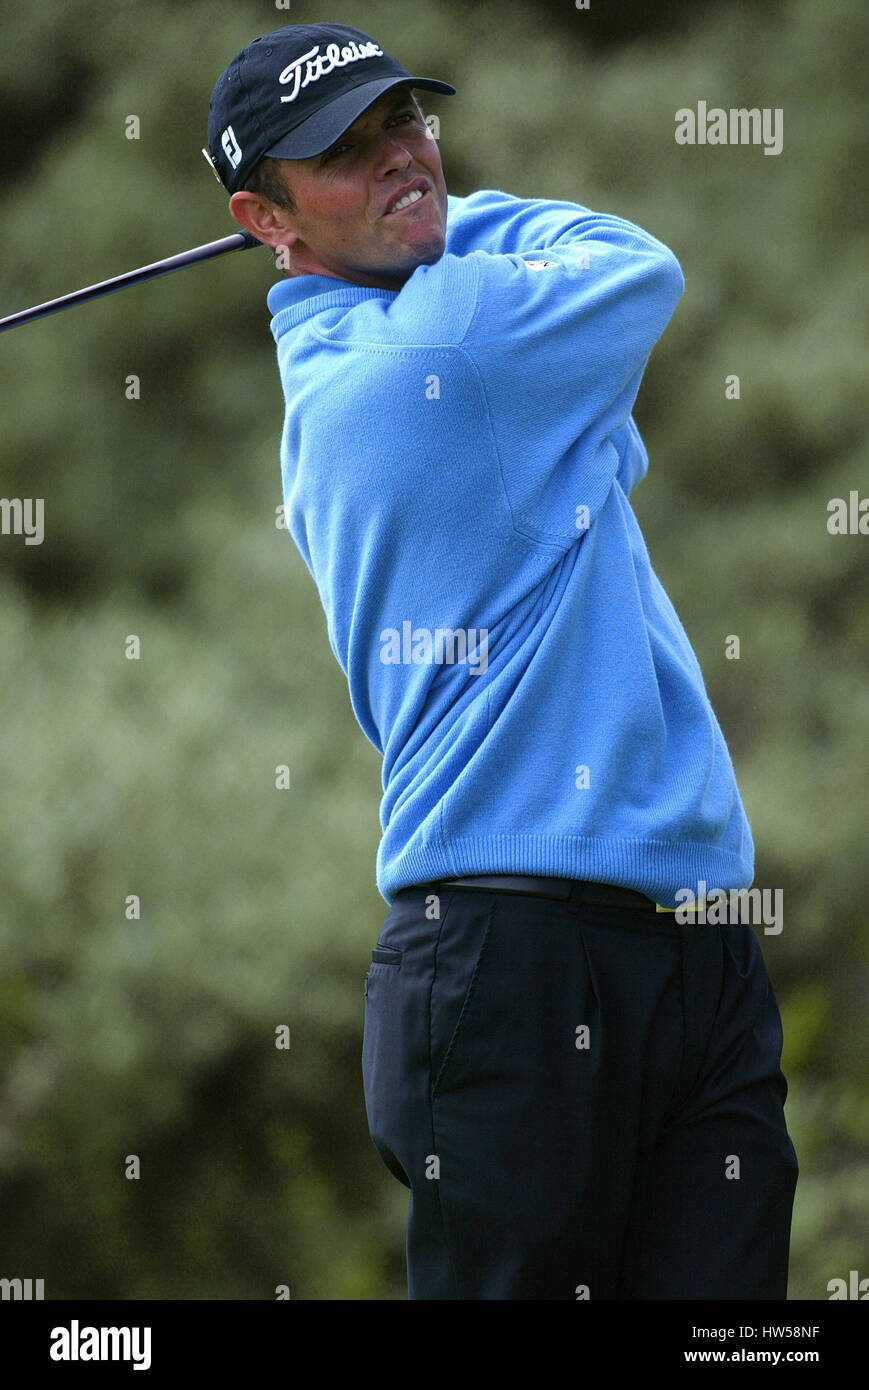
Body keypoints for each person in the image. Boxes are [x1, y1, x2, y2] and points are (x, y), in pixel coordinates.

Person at [206, 20, 799, 1300]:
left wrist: (397, 206)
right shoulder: (439, 354)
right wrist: (444, 207)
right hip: (508, 958)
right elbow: (633, 264)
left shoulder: (412, 336)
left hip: (689, 938)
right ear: (265, 218)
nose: (400, 157)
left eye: (404, 122)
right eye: (345, 153)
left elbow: (577, 317)